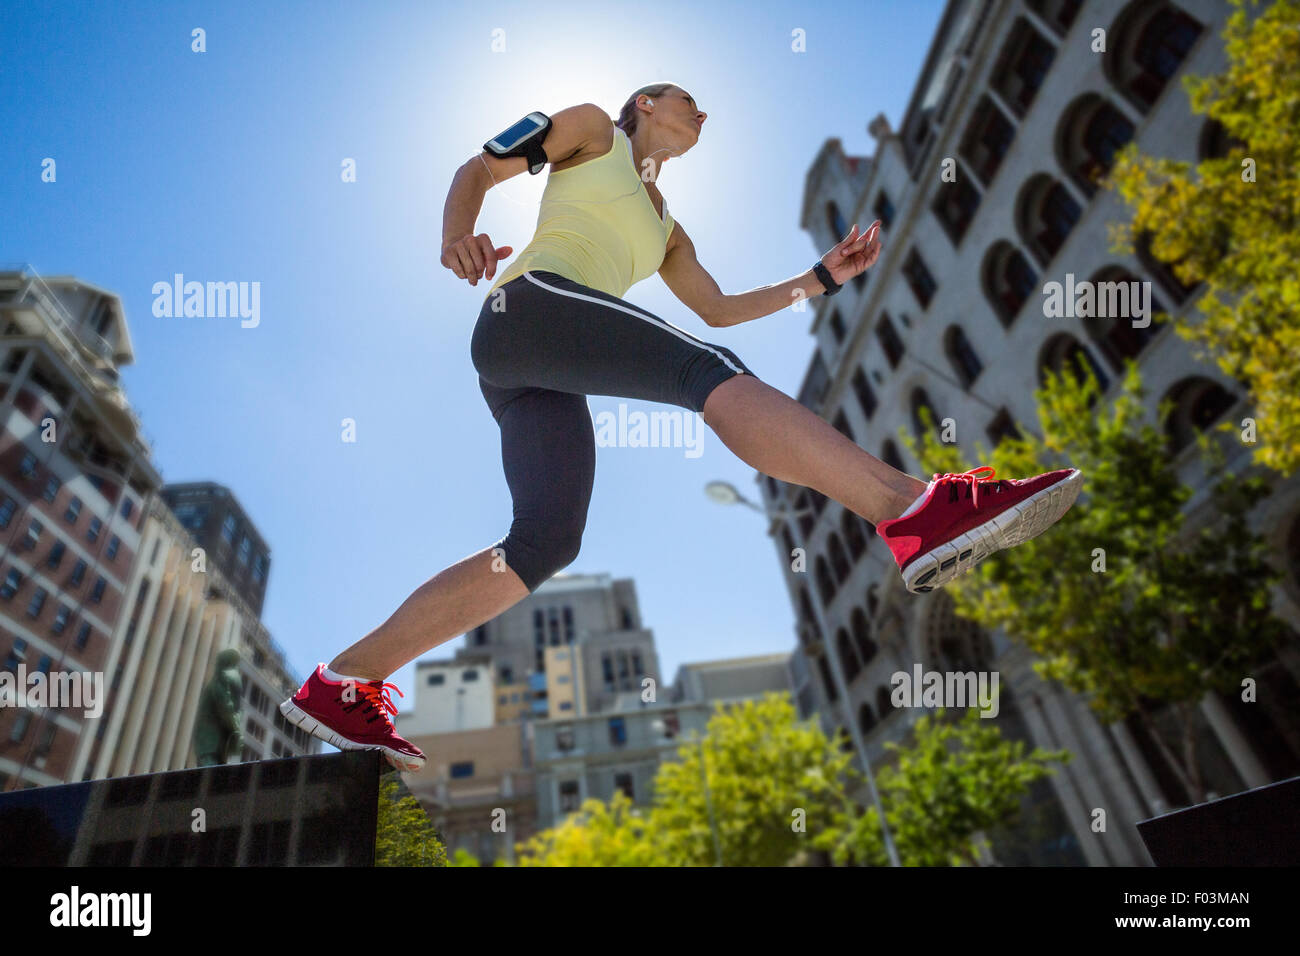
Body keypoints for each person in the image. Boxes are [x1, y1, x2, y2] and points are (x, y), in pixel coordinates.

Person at [280, 83, 1082, 772]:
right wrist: (457, 234)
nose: (706, 111)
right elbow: (476, 168)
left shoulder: (667, 225)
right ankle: (912, 509)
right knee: (709, 372)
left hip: (531, 363)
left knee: (547, 540)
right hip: (523, 310)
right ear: (647, 105)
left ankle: (346, 682)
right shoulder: (590, 128)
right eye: (690, 99)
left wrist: (820, 279)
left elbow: (719, 306)